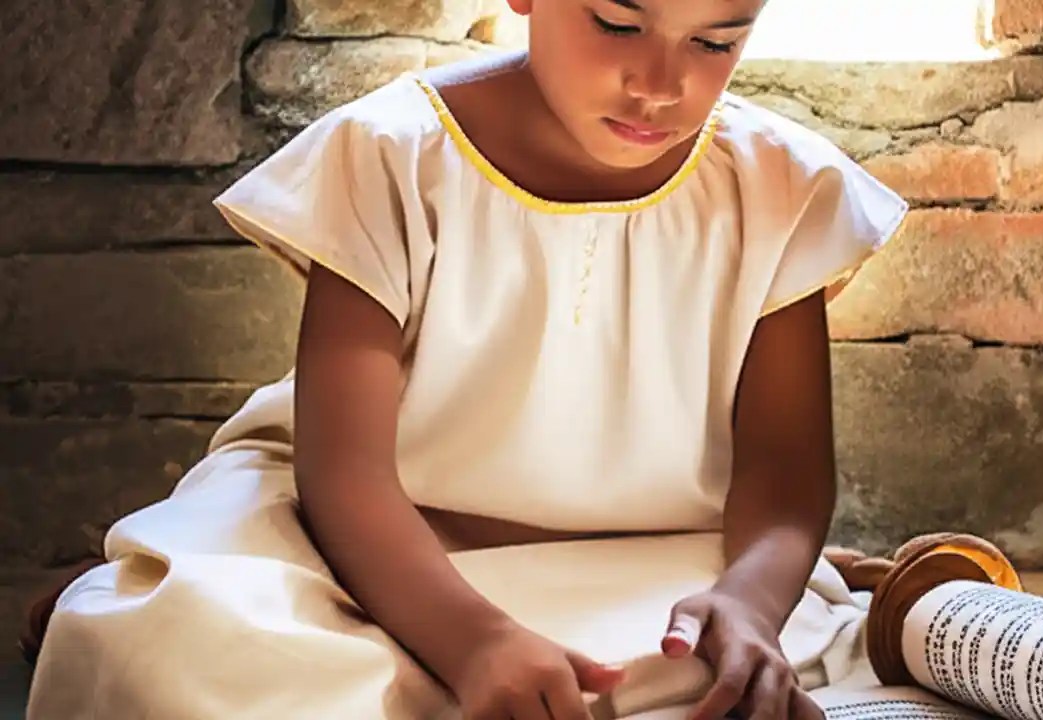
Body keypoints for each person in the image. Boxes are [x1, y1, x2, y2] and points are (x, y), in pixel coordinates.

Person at [25, 0, 908, 717]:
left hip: (647, 552)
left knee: (731, 672)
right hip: (360, 537)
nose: (661, 84)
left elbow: (787, 475)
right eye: (616, 23)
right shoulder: (392, 156)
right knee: (160, 646)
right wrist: (476, 641)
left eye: (717, 39)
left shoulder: (786, 186)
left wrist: (749, 605)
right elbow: (347, 479)